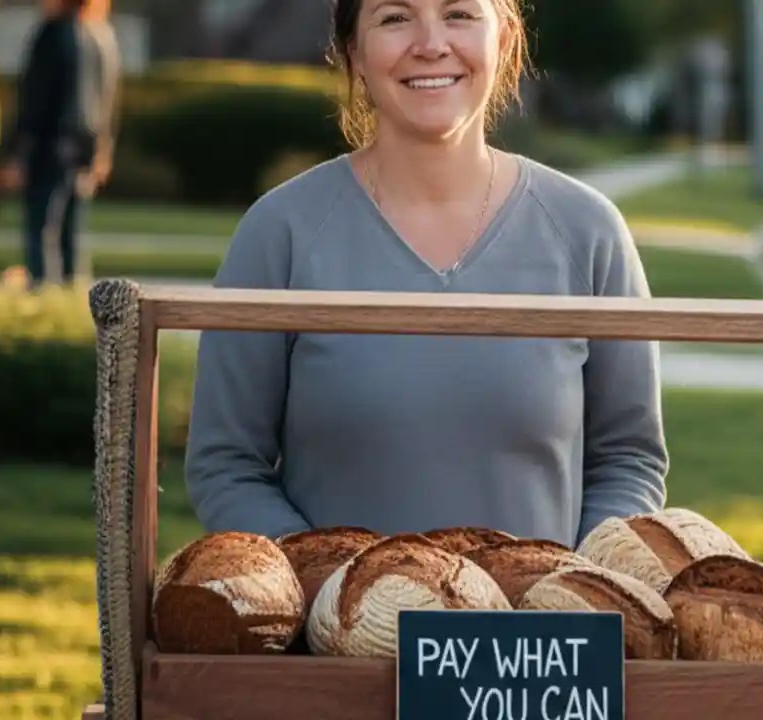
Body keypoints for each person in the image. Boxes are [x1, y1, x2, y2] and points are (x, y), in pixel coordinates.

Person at [183, 0, 668, 550]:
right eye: (395, 17)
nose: (431, 43)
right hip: (334, 631)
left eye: (459, 14)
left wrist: (574, 590)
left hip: (536, 632)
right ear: (354, 54)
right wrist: (328, 588)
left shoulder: (588, 231)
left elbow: (629, 461)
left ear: (504, 40)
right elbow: (227, 465)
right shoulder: (280, 234)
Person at [3, 0, 119, 289]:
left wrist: (18, 152)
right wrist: (102, 148)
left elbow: (36, 99)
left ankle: (42, 290)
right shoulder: (100, 36)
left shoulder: (53, 35)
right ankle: (73, 289)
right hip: (83, 148)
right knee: (71, 231)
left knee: (41, 228)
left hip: (49, 146)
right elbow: (107, 101)